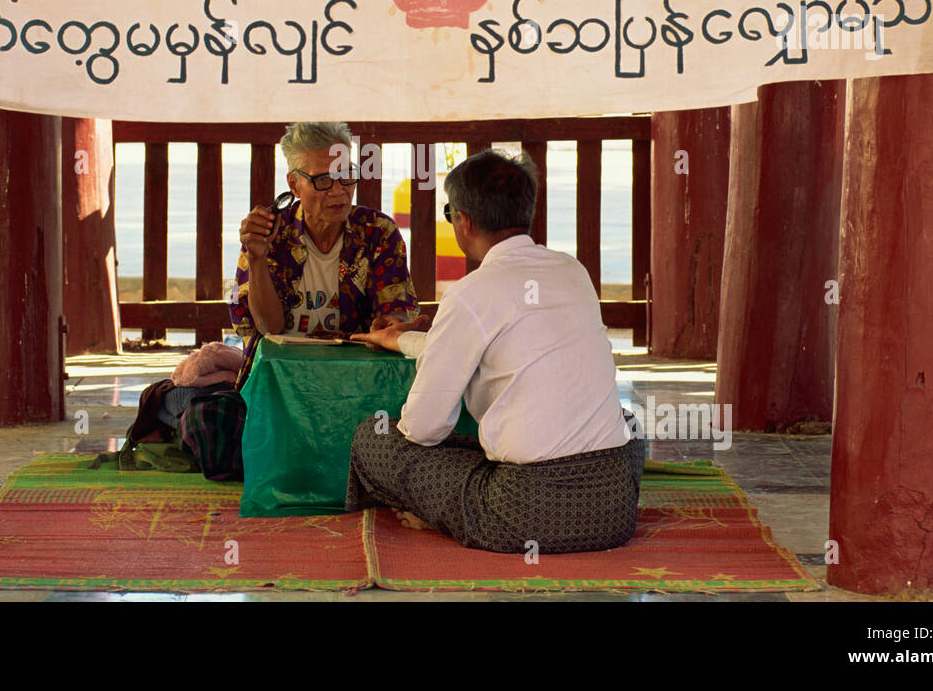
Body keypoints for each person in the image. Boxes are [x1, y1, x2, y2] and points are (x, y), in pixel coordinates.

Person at [345, 149, 644, 554]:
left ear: (463, 221)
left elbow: (424, 427)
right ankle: (457, 504)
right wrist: (405, 341)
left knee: (373, 437)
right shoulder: (573, 271)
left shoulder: (471, 293)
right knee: (626, 419)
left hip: (522, 513)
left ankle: (443, 515)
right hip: (612, 510)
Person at [229, 122, 421, 387]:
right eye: (322, 180)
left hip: (358, 379)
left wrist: (391, 325)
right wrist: (257, 259)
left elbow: (394, 314)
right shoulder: (269, 234)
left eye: (346, 175)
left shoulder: (378, 232)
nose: (339, 190)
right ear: (294, 185)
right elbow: (268, 328)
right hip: (282, 381)